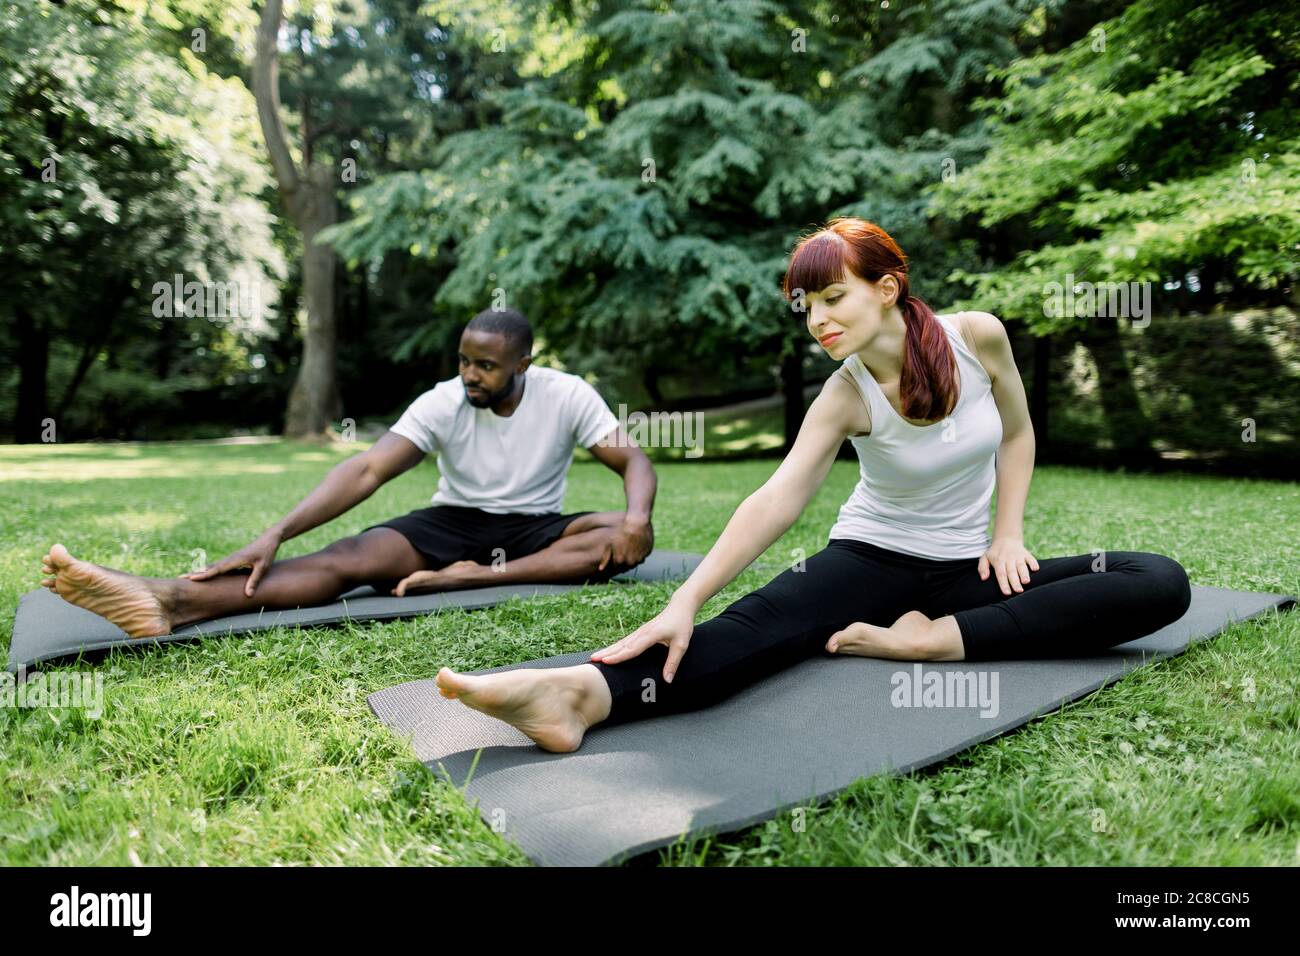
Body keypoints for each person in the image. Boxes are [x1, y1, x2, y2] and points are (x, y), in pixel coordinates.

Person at [430, 217, 1193, 754]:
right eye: (807, 306)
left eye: (836, 299)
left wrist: (1008, 532)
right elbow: (779, 497)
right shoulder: (846, 393)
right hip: (869, 560)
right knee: (748, 635)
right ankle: (575, 698)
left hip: (968, 572)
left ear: (888, 289)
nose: (818, 321)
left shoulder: (977, 336)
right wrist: (684, 601)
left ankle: (933, 644)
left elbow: (1019, 433)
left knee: (1155, 581)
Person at [39, 308, 657, 638]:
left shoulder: (566, 393)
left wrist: (636, 517)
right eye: (465, 361)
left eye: (488, 366)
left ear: (523, 362)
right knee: (345, 559)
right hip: (449, 522)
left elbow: (631, 459)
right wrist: (277, 533)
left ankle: (465, 579)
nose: (472, 375)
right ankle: (171, 599)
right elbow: (365, 471)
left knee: (623, 536)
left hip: (534, 528)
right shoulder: (444, 401)